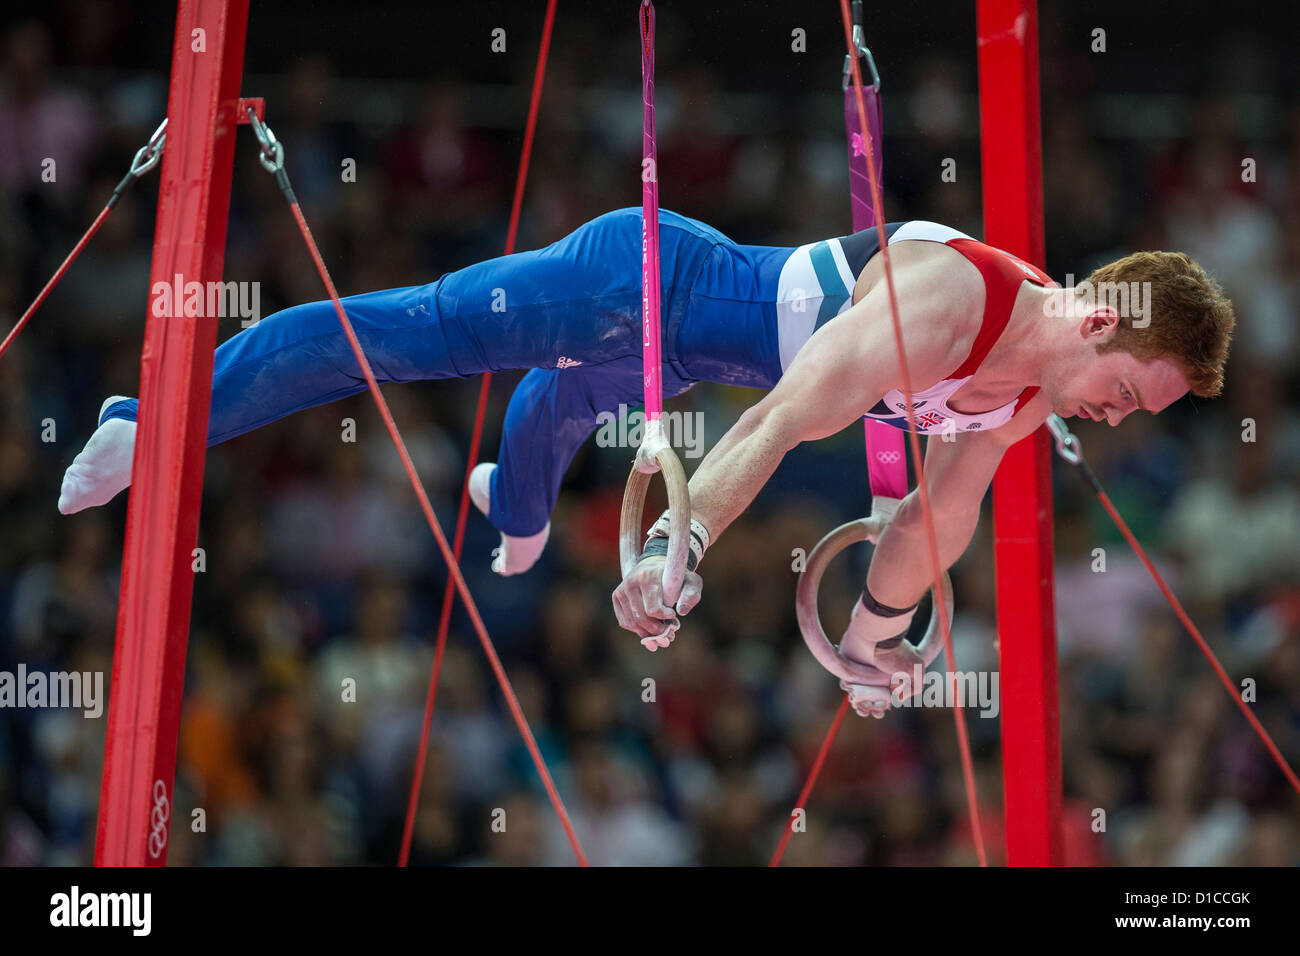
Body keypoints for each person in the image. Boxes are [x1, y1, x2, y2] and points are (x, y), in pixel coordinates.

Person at [58, 208, 1234, 713]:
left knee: (544, 453)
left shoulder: (1032, 388)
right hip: (644, 282)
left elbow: (942, 509)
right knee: (411, 333)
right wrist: (680, 544)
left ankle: (509, 505)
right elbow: (781, 422)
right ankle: (149, 411)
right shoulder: (947, 299)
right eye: (1130, 393)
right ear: (1097, 321)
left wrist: (872, 640)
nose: (1120, 422)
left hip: (671, 364)